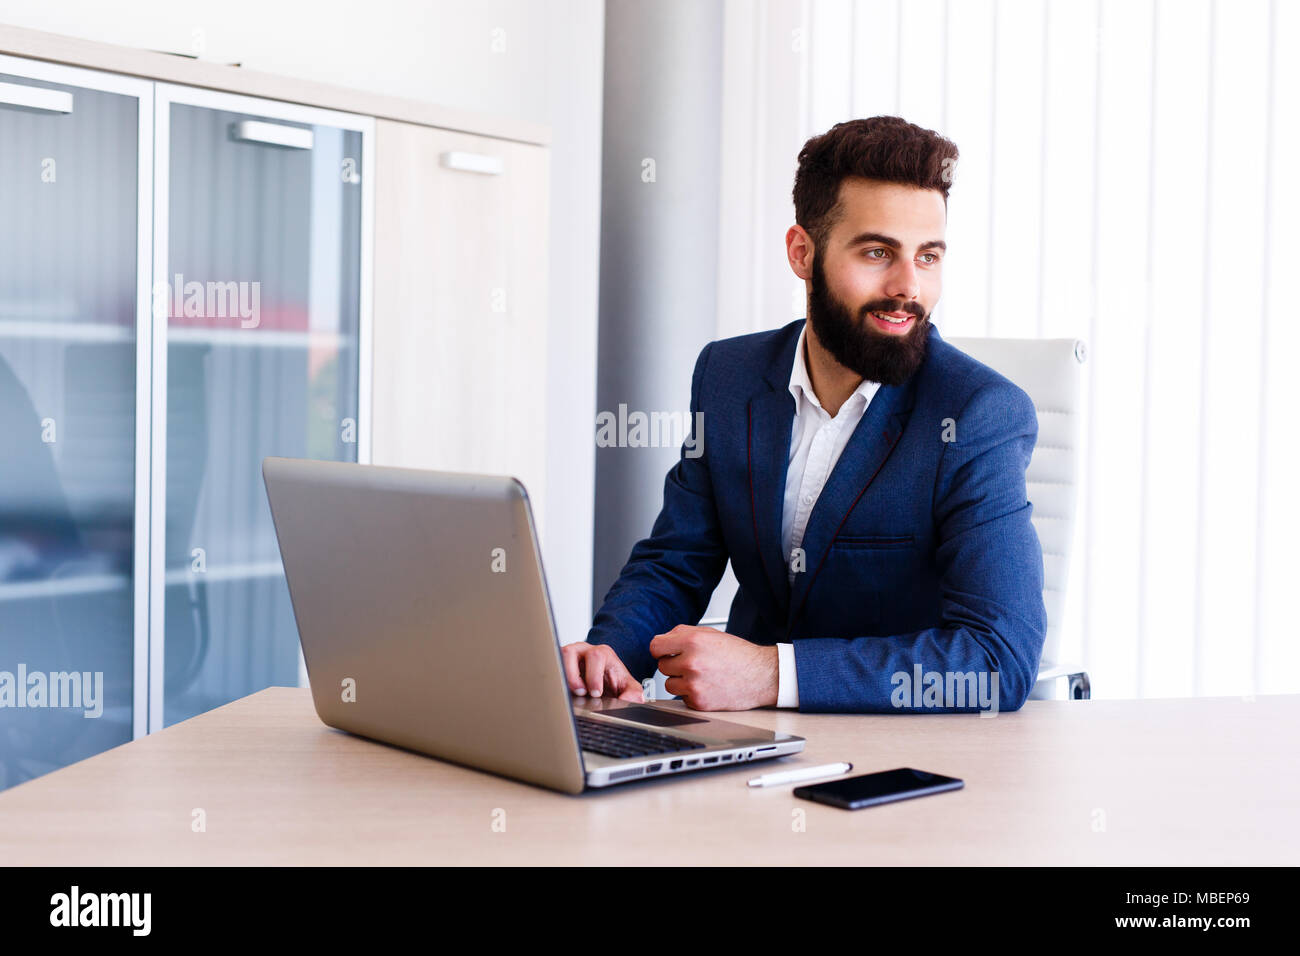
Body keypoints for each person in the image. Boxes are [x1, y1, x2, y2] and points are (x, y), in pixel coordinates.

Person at [564, 115, 1046, 714]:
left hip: (901, 749)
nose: (909, 287)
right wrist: (609, 654)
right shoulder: (728, 376)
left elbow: (998, 661)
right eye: (878, 252)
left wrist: (773, 674)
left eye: (927, 257)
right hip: (744, 738)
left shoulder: (979, 415)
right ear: (802, 253)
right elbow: (678, 560)